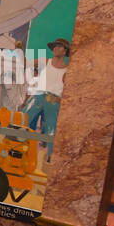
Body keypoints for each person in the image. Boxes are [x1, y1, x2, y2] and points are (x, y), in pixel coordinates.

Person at [25, 37, 69, 165]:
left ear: (65, 51)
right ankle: (18, 148)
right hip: (38, 96)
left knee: (51, 129)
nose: (56, 48)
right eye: (55, 45)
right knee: (24, 118)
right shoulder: (46, 61)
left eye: (59, 46)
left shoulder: (68, 70)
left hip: (54, 100)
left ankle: (50, 158)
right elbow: (27, 63)